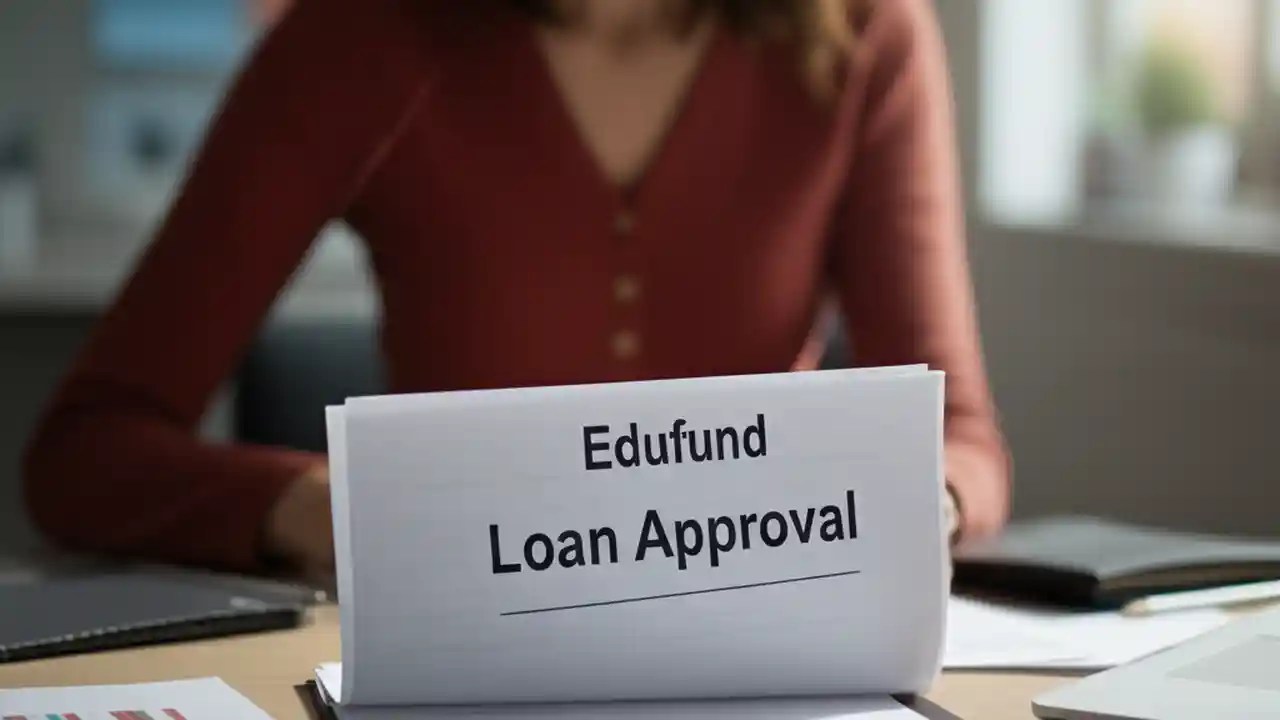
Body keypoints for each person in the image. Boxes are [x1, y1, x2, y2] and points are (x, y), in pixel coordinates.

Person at [23, 0, 1009, 579]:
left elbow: (960, 443)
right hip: (456, 648)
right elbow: (84, 454)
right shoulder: (358, 36)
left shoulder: (865, 33)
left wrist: (900, 508)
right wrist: (322, 508)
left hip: (755, 653)